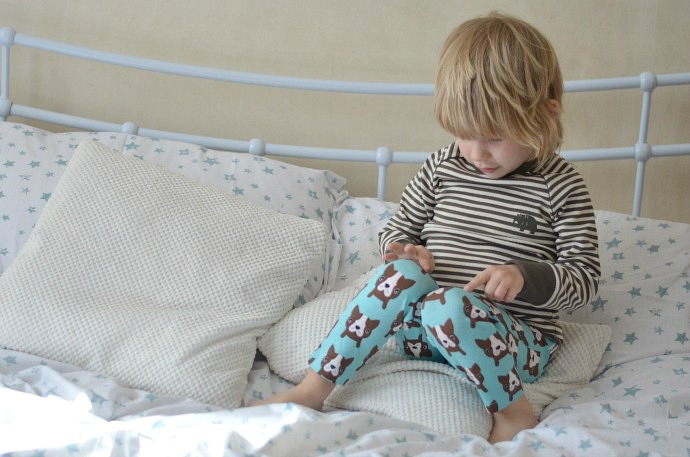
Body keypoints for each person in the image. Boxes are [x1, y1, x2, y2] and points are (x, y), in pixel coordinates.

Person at [257, 12, 601, 443]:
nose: (477, 152)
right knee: (402, 276)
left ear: (546, 114)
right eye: (464, 133)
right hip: (423, 332)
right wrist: (405, 249)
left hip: (512, 345)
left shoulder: (560, 185)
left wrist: (524, 276)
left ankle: (514, 413)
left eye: (495, 136)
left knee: (450, 306)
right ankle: (312, 389)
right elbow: (398, 230)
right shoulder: (441, 167)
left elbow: (585, 278)